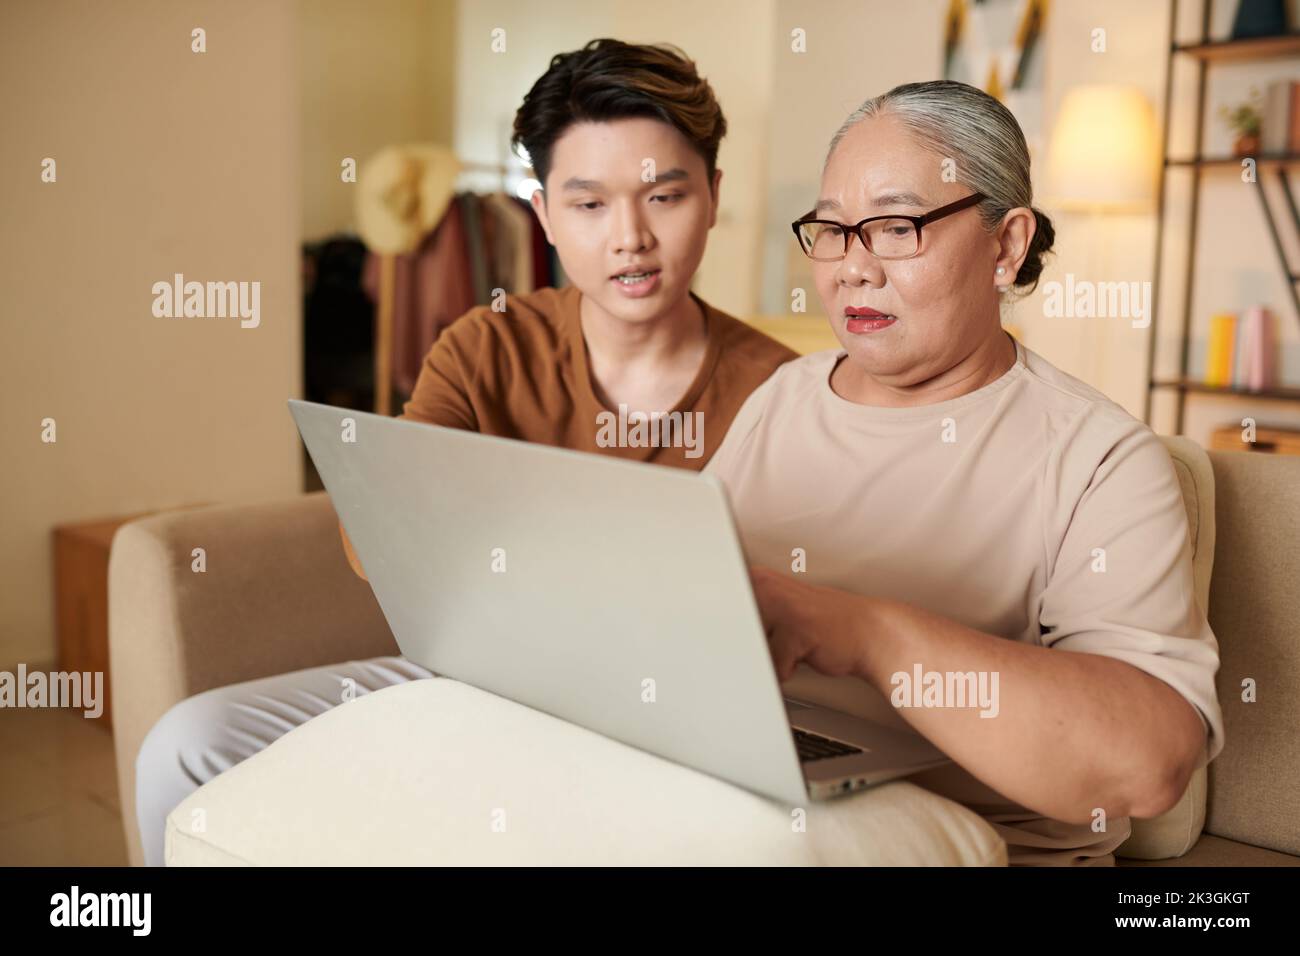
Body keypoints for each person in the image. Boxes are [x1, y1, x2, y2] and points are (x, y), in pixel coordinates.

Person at [134, 38, 794, 866]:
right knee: (188, 744)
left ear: (711, 196)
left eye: (663, 195)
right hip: (482, 681)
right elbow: (378, 531)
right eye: (588, 205)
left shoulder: (786, 393)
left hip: (670, 720)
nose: (630, 237)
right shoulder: (487, 346)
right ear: (546, 214)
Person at [706, 80, 1224, 866]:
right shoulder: (784, 397)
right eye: (833, 230)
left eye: (894, 226)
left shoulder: (1099, 458)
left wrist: (867, 634)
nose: (852, 268)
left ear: (1005, 246)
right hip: (745, 791)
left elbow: (1147, 763)